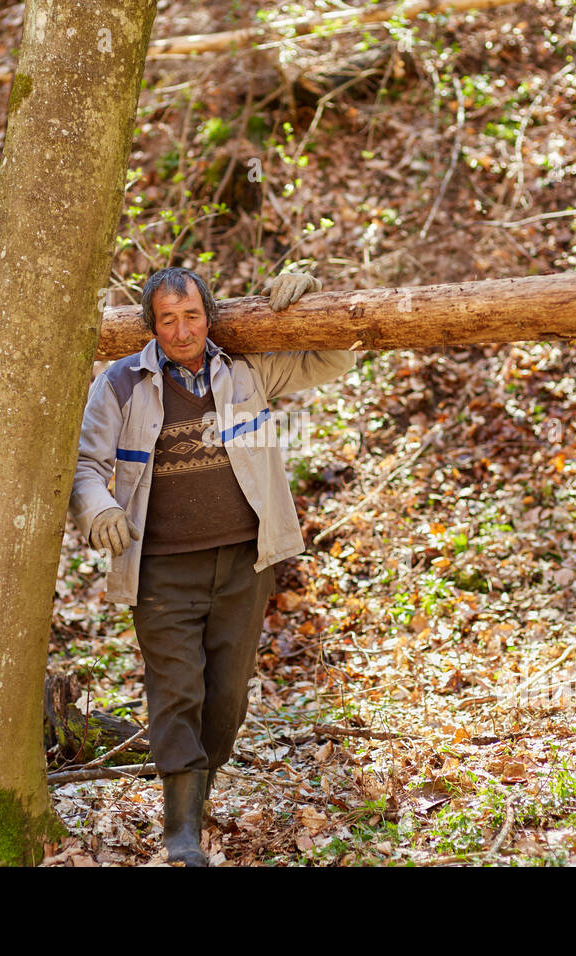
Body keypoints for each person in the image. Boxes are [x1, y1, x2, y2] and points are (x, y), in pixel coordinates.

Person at [69, 267, 354, 866]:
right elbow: (85, 468)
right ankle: (181, 836)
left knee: (224, 701)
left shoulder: (244, 369)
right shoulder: (119, 385)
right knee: (177, 692)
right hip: (160, 568)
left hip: (245, 563)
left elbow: (333, 358)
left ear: (210, 316)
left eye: (192, 316)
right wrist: (99, 510)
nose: (181, 330)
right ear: (150, 326)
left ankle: (196, 793)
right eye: (167, 319)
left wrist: (310, 298)